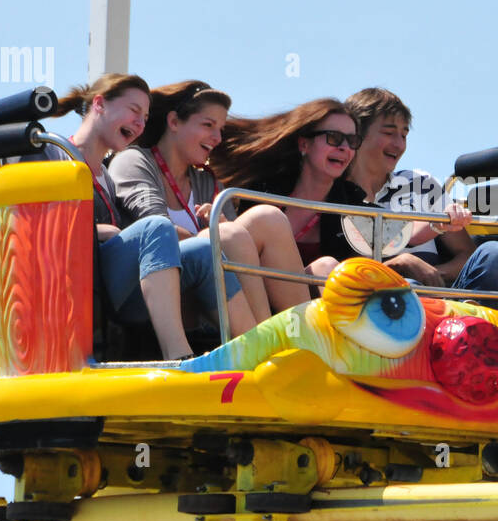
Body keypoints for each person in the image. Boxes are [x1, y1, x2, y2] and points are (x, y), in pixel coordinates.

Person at [26, 73, 249, 358]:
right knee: (155, 226)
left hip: (114, 291)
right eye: (134, 111)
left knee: (204, 250)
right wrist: (95, 232)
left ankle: (253, 351)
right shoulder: (50, 153)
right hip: (68, 286)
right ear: (100, 104)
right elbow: (30, 227)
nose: (140, 123)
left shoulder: (106, 176)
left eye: (144, 117)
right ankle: (179, 355)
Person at [109, 80, 310, 321]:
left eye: (221, 129)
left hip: (211, 287)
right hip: (156, 286)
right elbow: (157, 233)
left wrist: (222, 225)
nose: (217, 137)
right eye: (208, 125)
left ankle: (303, 333)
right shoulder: (134, 161)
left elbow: (237, 242)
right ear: (173, 122)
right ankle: (265, 339)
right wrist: (216, 234)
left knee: (269, 217)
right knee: (226, 234)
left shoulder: (207, 181)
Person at [344, 88, 498, 296]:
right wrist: (402, 266)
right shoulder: (336, 195)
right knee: (408, 288)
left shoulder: (420, 183)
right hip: (377, 304)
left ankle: (472, 324)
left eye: (404, 135)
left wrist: (432, 275)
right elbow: (346, 275)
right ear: (357, 134)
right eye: (389, 133)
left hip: (439, 297)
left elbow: (467, 255)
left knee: (495, 253)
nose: (399, 144)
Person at [210, 98, 366, 283]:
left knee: (327, 267)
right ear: (304, 145)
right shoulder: (261, 190)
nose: (344, 147)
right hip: (257, 296)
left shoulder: (354, 207)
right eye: (334, 137)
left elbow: (390, 239)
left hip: (314, 306)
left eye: (352, 141)